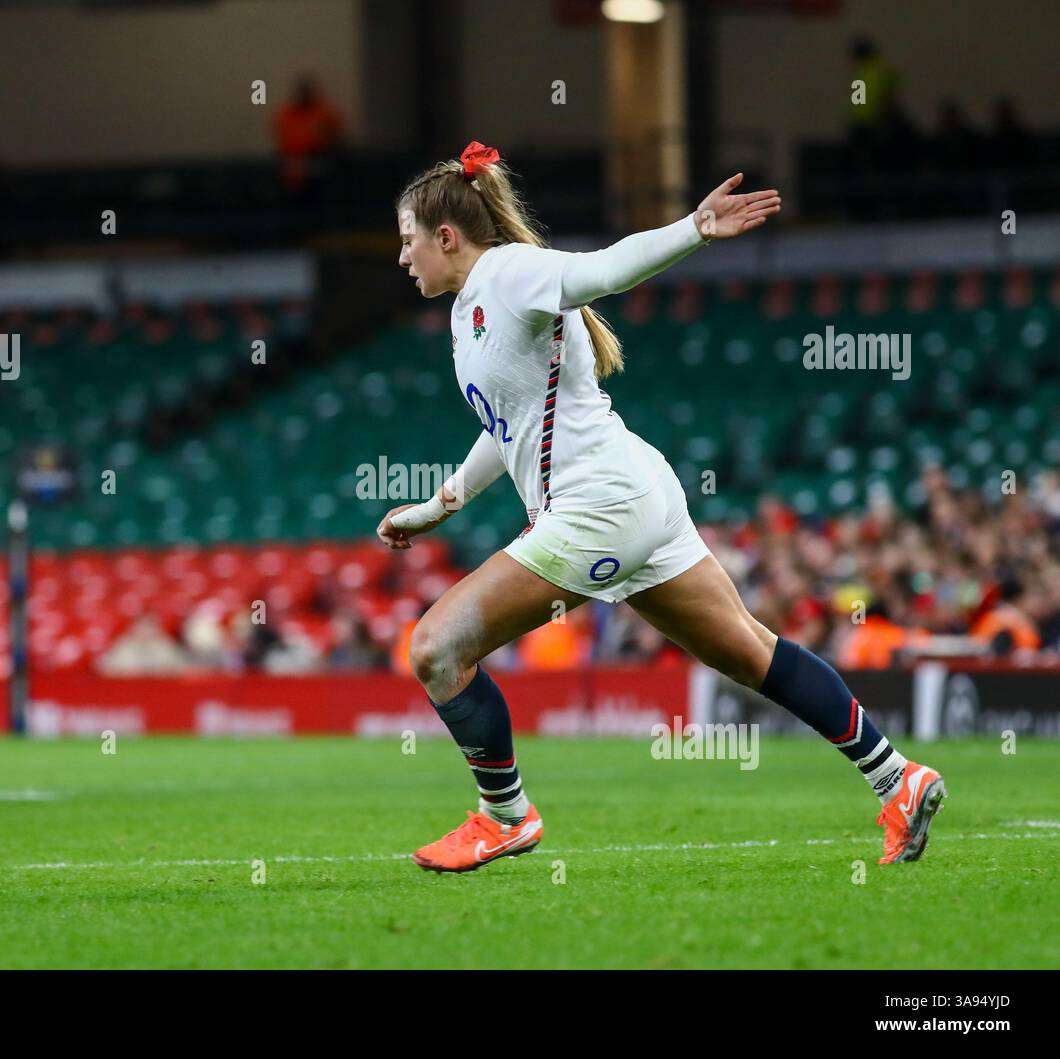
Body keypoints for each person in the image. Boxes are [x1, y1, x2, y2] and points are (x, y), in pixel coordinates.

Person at [378, 140, 945, 873]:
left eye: (407, 240)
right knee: (748, 651)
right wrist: (440, 502)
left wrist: (694, 229)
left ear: (446, 236)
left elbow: (603, 270)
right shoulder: (471, 311)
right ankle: (898, 778)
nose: (402, 257)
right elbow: (507, 425)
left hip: (600, 503)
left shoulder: (510, 273)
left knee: (435, 647)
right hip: (634, 490)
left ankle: (504, 815)